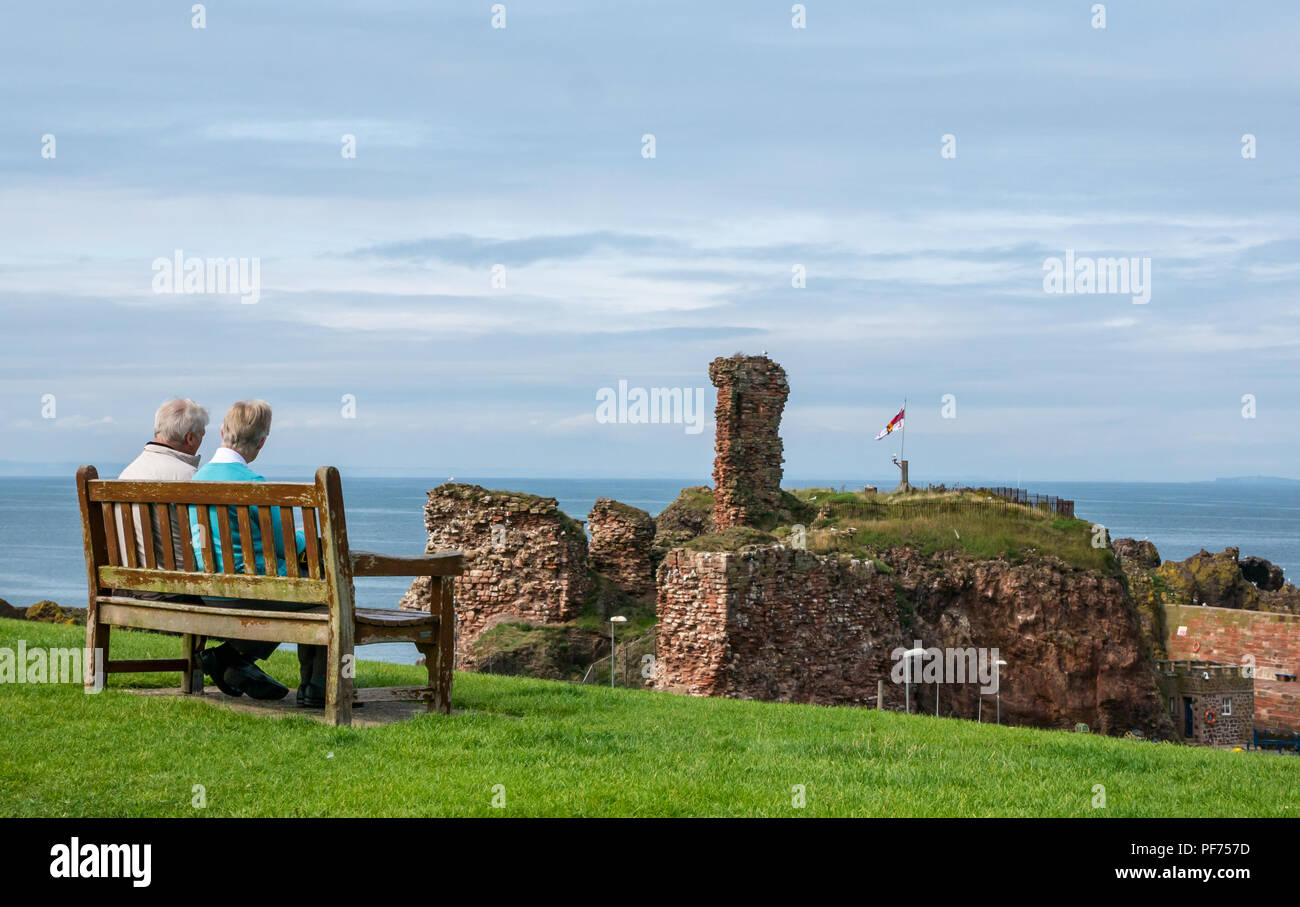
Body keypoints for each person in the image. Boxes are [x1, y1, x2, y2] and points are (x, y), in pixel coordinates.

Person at [189, 400, 326, 706]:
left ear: (222, 431)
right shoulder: (253, 486)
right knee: (326, 588)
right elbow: (286, 545)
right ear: (262, 441)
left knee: (308, 588)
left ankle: (232, 659)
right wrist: (307, 540)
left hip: (210, 590)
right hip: (252, 590)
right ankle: (317, 686)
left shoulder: (195, 481)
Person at [115, 398, 209, 572]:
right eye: (202, 435)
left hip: (128, 585)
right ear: (190, 438)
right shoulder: (190, 479)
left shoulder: (126, 475)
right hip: (178, 588)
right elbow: (204, 542)